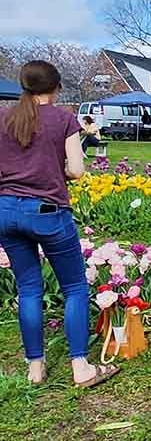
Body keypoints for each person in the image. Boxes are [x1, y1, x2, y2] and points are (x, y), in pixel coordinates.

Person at [0, 60, 119, 387]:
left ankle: (35, 369)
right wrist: (53, 170)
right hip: (48, 212)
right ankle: (81, 367)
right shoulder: (63, 119)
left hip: (7, 212)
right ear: (56, 88)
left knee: (28, 289)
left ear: (23, 86)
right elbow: (78, 171)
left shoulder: (3, 117)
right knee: (75, 288)